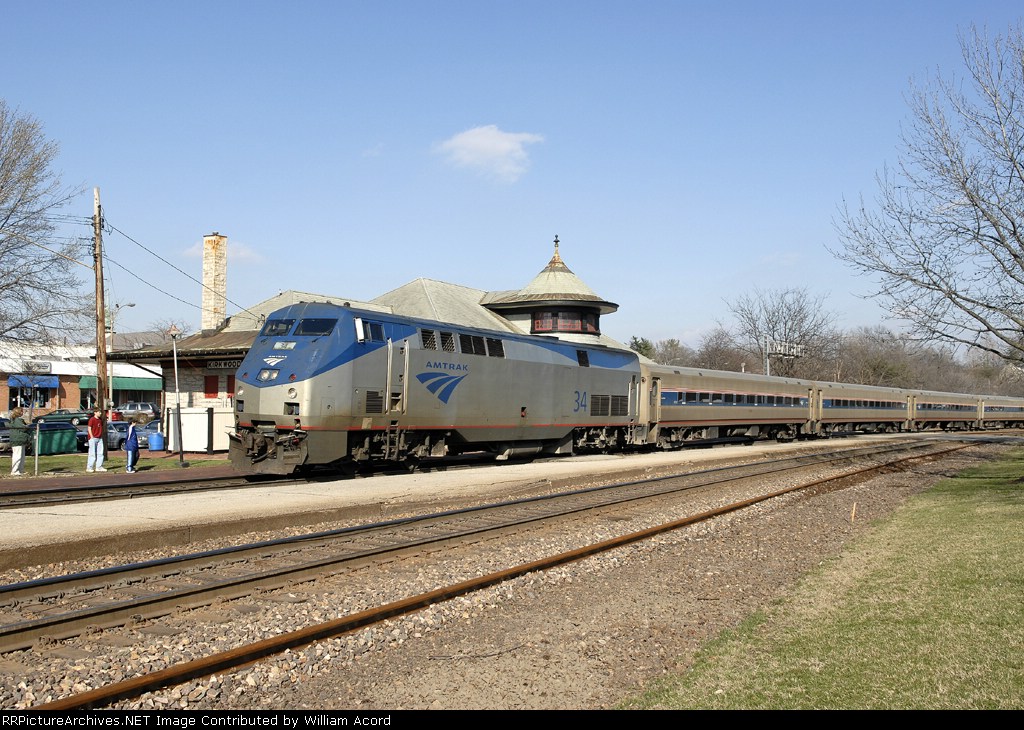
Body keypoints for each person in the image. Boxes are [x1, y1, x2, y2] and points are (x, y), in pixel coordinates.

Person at [8, 409, 29, 477]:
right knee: (17, 456)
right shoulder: (17, 420)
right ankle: (14, 471)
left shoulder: (18, 420)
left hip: (20, 440)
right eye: (22, 411)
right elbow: (22, 428)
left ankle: (20, 470)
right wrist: (27, 427)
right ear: (18, 412)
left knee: (22, 456)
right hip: (17, 440)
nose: (23, 412)